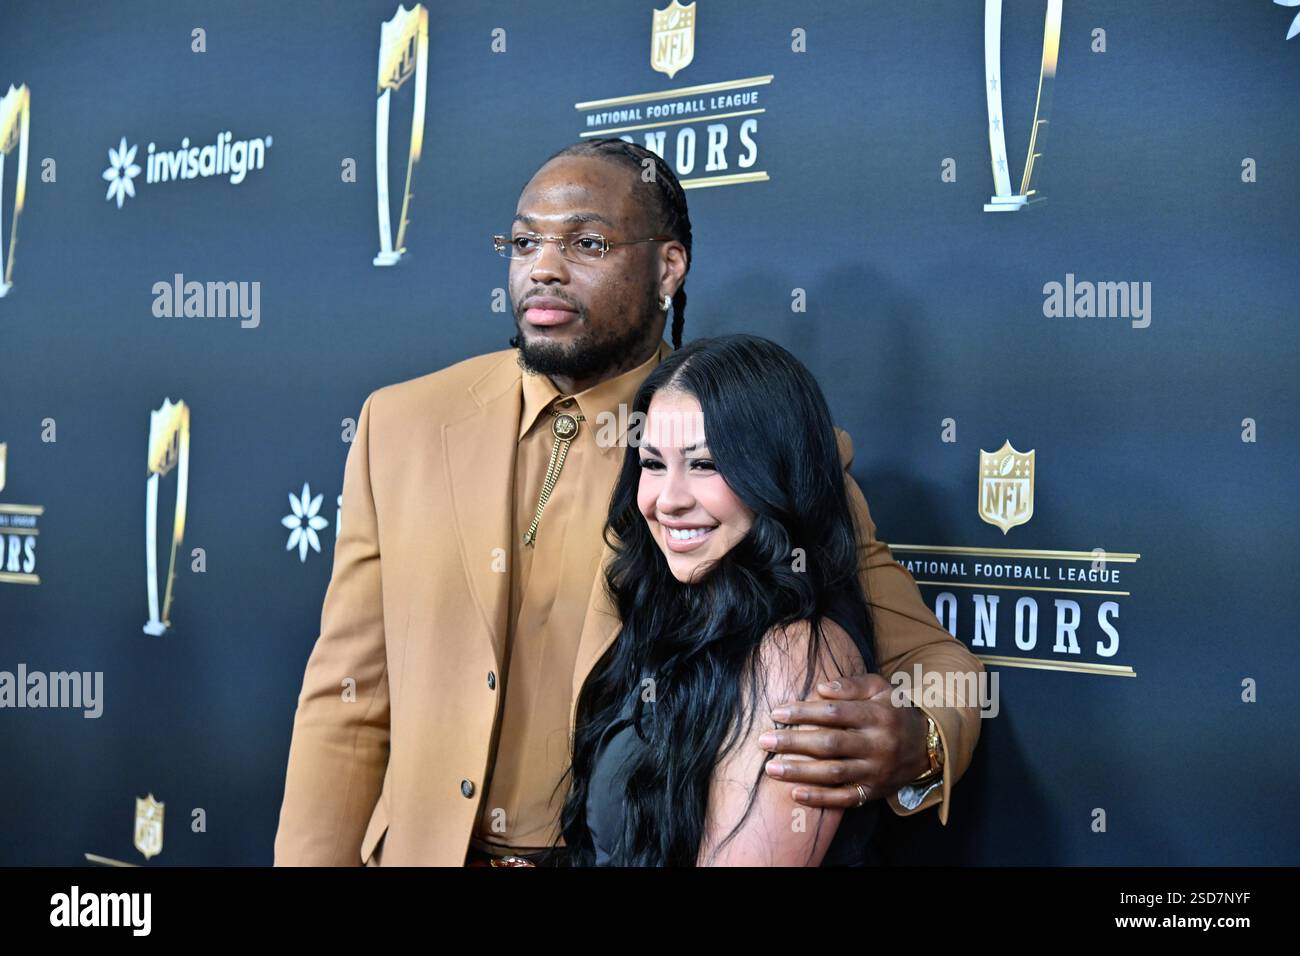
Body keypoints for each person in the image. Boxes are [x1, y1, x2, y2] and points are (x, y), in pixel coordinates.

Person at [273, 138, 983, 867]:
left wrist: (920, 740)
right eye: (523, 242)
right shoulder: (401, 425)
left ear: (667, 267)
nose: (542, 268)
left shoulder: (746, 446)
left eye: (586, 242)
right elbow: (345, 704)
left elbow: (932, 658)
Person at [560, 334, 882, 866]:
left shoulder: (795, 656)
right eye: (654, 464)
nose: (669, 500)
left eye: (705, 464)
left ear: (775, 475)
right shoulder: (673, 614)